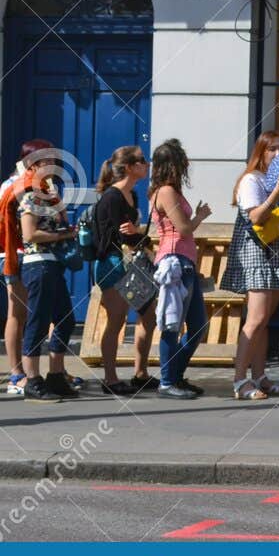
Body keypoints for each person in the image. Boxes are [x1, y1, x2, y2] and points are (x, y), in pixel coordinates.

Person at [224, 131, 279, 400]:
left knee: (263, 321)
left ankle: (259, 377)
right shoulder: (252, 180)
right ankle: (239, 381)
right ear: (261, 152)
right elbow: (256, 217)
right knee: (256, 319)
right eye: (273, 149)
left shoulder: (277, 180)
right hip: (257, 252)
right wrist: (277, 192)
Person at [148, 139, 213, 400]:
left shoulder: (168, 191)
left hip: (185, 262)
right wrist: (200, 216)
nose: (185, 166)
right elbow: (184, 229)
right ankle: (167, 380)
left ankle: (175, 374)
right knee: (172, 325)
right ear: (171, 165)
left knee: (197, 325)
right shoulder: (166, 192)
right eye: (181, 161)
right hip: (175, 262)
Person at [91, 146, 157, 396]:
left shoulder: (133, 196)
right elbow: (113, 236)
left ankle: (140, 373)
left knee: (148, 316)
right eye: (142, 161)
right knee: (117, 320)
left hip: (132, 264)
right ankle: (110, 378)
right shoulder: (112, 197)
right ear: (129, 167)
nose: (147, 164)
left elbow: (133, 233)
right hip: (112, 264)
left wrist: (139, 235)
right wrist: (137, 235)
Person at [17, 150, 78, 401]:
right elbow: (30, 234)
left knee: (65, 320)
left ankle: (55, 375)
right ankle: (32, 380)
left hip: (53, 265)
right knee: (38, 323)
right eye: (49, 162)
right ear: (36, 165)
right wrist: (63, 235)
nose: (54, 166)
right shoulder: (31, 196)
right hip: (38, 264)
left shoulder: (50, 196)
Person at [3, 138, 52, 396]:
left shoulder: (40, 184)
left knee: (38, 312)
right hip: (15, 253)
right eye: (48, 160)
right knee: (18, 313)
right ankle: (16, 373)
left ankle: (48, 371)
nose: (53, 164)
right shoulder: (16, 185)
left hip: (33, 254)